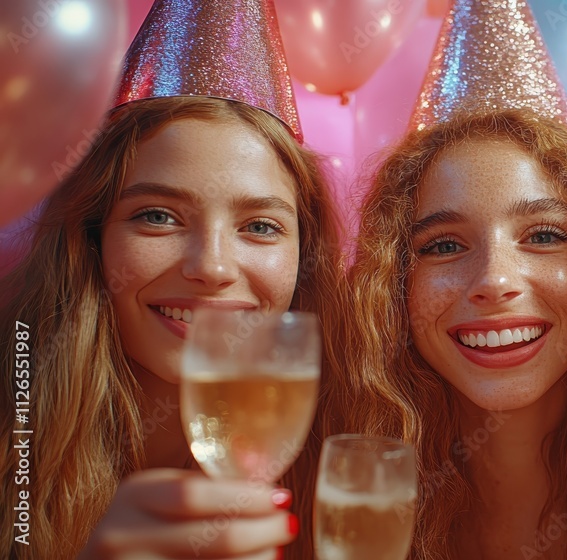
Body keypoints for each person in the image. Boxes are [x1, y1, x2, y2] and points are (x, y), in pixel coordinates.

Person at [0, 93, 346, 559]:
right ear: (91, 237)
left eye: (261, 226)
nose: (213, 267)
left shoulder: (348, 443)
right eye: (158, 217)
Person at [339, 108, 567, 559]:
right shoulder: (336, 488)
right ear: (394, 286)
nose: (494, 281)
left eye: (543, 236)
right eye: (444, 245)